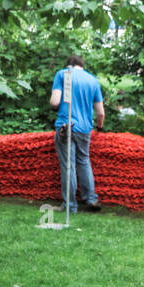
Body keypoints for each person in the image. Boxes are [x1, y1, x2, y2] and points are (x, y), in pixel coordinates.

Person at [49, 55, 104, 213]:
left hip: (66, 125)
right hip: (85, 128)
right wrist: (99, 128)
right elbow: (100, 113)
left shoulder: (63, 74)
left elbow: (54, 102)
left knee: (68, 166)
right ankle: (91, 198)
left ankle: (70, 205)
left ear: (69, 65)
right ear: (82, 65)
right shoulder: (92, 80)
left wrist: (54, 107)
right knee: (84, 161)